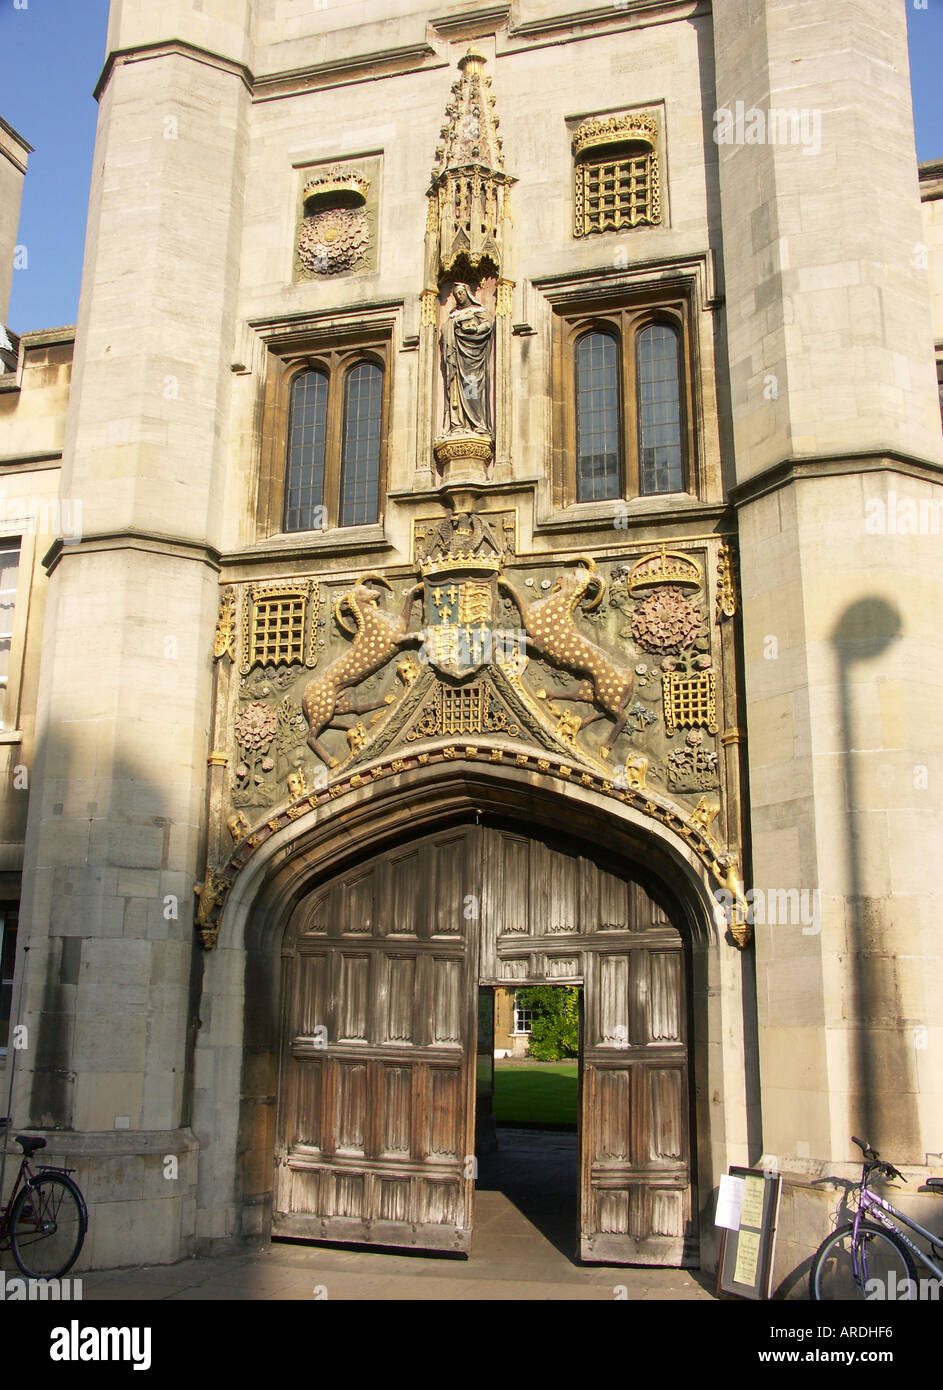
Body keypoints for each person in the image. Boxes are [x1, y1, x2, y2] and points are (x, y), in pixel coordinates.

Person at [441, 282, 494, 434]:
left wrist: (475, 328)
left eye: (461, 293)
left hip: (473, 359)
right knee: (456, 388)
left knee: (472, 390)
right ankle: (457, 424)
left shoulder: (478, 310)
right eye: (456, 294)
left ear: (468, 293)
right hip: (457, 359)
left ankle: (478, 424)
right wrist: (456, 322)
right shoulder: (453, 315)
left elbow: (488, 324)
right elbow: (445, 330)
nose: (459, 296)